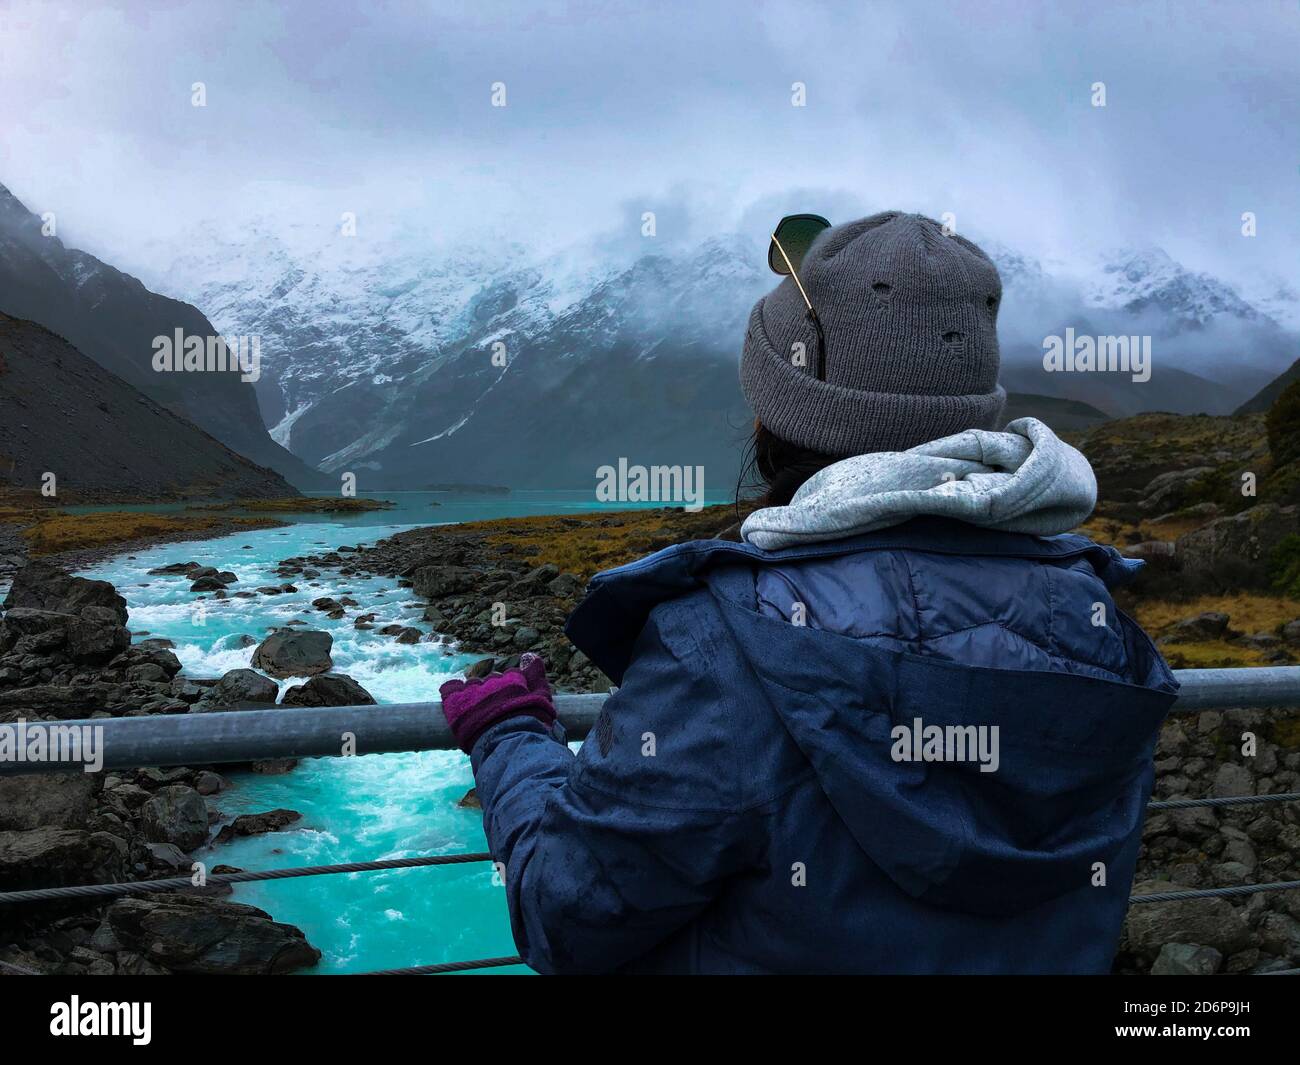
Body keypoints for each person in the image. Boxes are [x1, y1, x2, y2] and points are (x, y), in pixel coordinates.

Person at [438, 211, 1179, 974]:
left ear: (786, 417)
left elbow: (567, 912)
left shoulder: (726, 645)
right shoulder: (1097, 620)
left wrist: (510, 736)